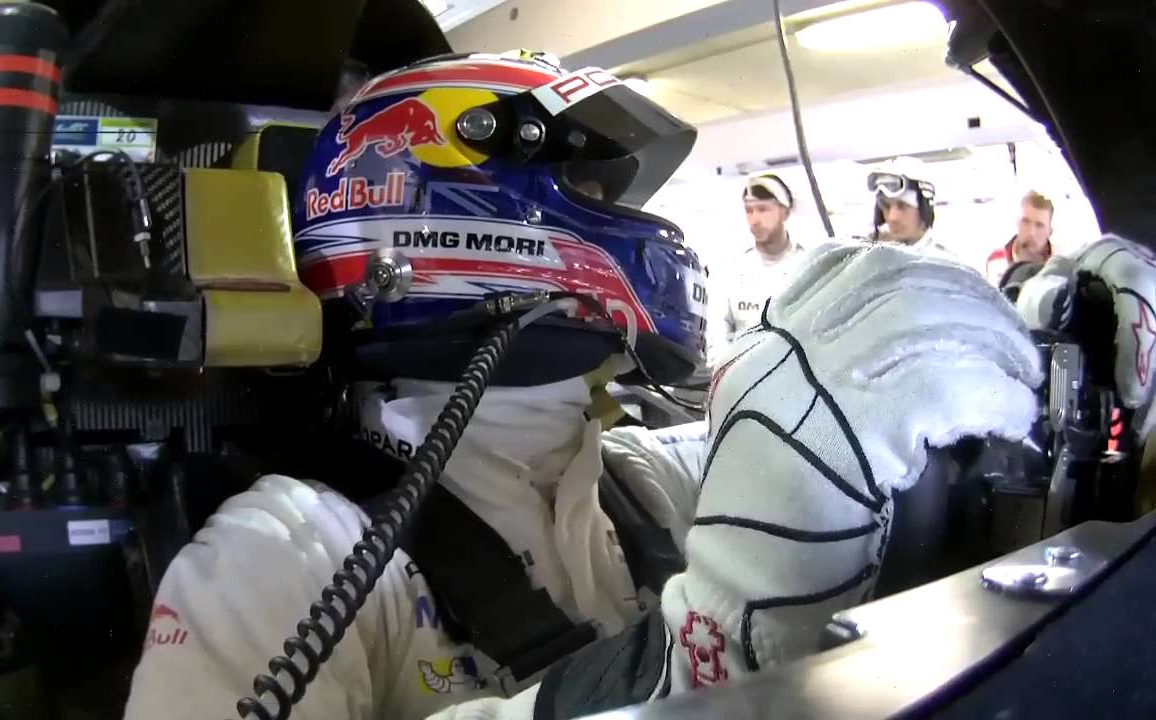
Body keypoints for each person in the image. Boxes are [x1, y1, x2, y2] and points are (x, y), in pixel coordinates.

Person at [123, 52, 1156, 720]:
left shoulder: (625, 476)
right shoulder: (281, 554)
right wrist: (683, 677)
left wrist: (1038, 373)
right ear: (443, 208)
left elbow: (832, 458)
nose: (630, 224)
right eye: (587, 188)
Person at [724, 174, 807, 340]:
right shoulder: (731, 272)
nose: (754, 220)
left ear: (785, 212)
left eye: (762, 210)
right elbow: (716, 341)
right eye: (749, 211)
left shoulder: (807, 266)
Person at [867, 165, 957, 259]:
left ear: (925, 211)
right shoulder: (876, 256)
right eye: (886, 206)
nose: (892, 217)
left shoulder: (945, 264)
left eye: (903, 206)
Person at [986, 190, 1055, 285]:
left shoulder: (1058, 265)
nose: (1031, 233)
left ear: (1050, 232)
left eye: (1039, 225)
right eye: (1025, 222)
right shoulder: (996, 261)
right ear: (1017, 223)